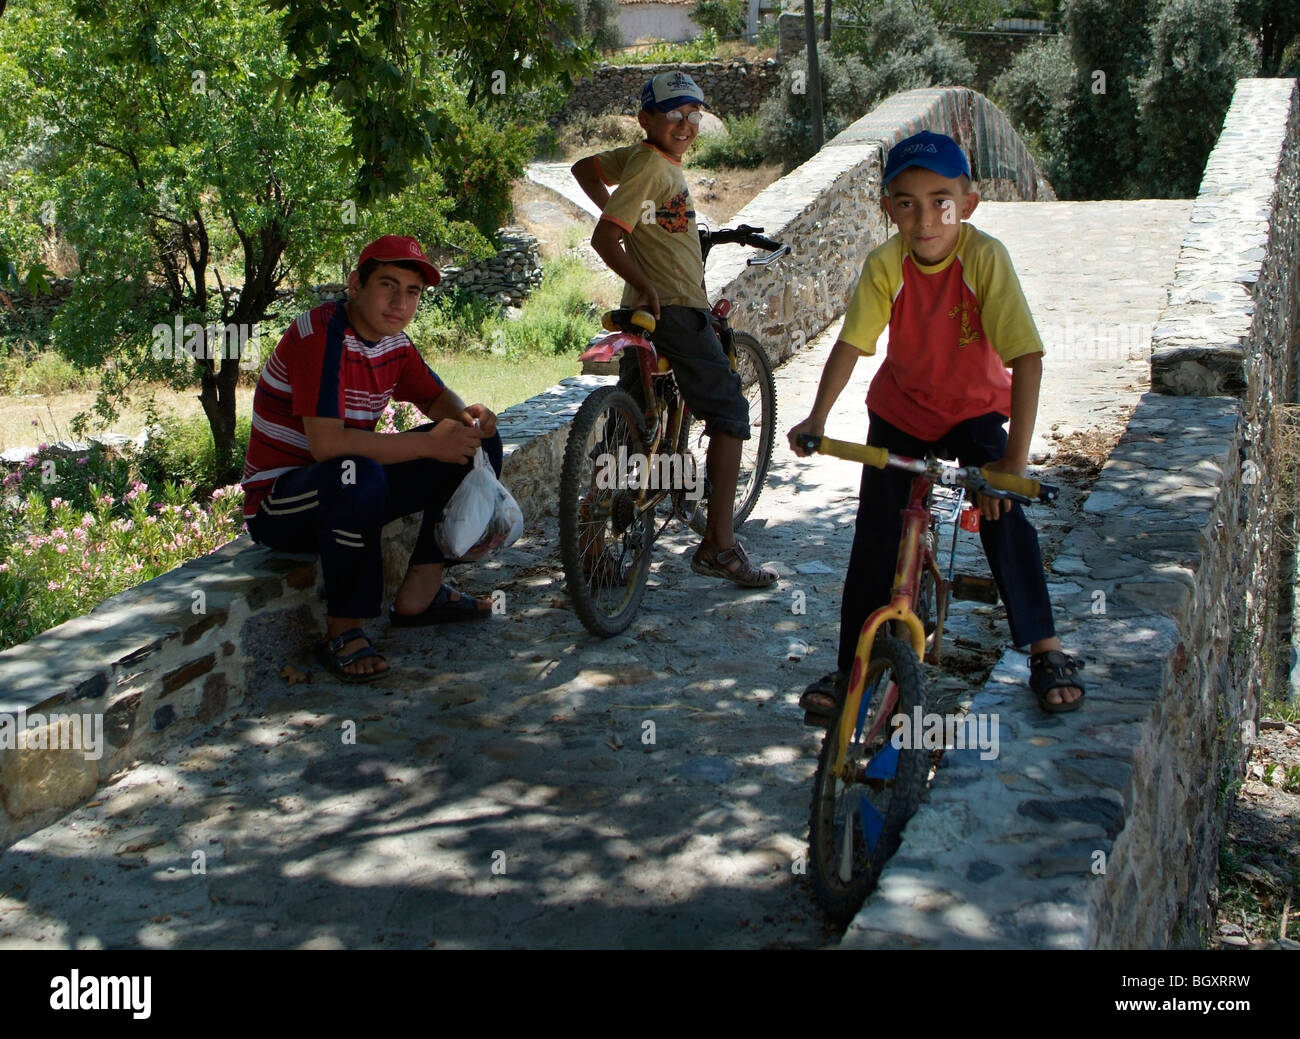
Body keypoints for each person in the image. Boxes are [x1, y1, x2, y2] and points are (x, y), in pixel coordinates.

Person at [787, 131, 1085, 715]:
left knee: (1004, 515)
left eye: (940, 201)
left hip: (973, 413)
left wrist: (1012, 464)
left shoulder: (983, 258)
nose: (924, 218)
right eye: (906, 202)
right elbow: (852, 343)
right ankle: (853, 666)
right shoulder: (885, 265)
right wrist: (817, 416)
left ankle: (1045, 646)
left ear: (967, 204)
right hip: (900, 413)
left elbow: (1026, 357)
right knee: (876, 533)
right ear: (887, 208)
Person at [241, 234, 503, 683]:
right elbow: (327, 445)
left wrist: (468, 418)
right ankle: (344, 630)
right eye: (387, 284)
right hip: (283, 503)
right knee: (354, 476)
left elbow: (434, 395)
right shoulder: (319, 337)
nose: (400, 301)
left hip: (350, 487)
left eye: (413, 291)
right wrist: (427, 445)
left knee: (477, 445)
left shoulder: (393, 344)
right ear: (355, 284)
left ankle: (420, 595)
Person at [570, 70, 776, 587]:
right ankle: (720, 546)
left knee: (629, 427)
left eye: (693, 116)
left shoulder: (643, 158)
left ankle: (592, 549)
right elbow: (604, 238)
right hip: (678, 309)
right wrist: (645, 278)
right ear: (646, 119)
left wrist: (637, 222)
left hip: (654, 314)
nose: (685, 125)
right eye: (672, 116)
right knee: (730, 411)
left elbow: (583, 167)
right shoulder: (652, 170)